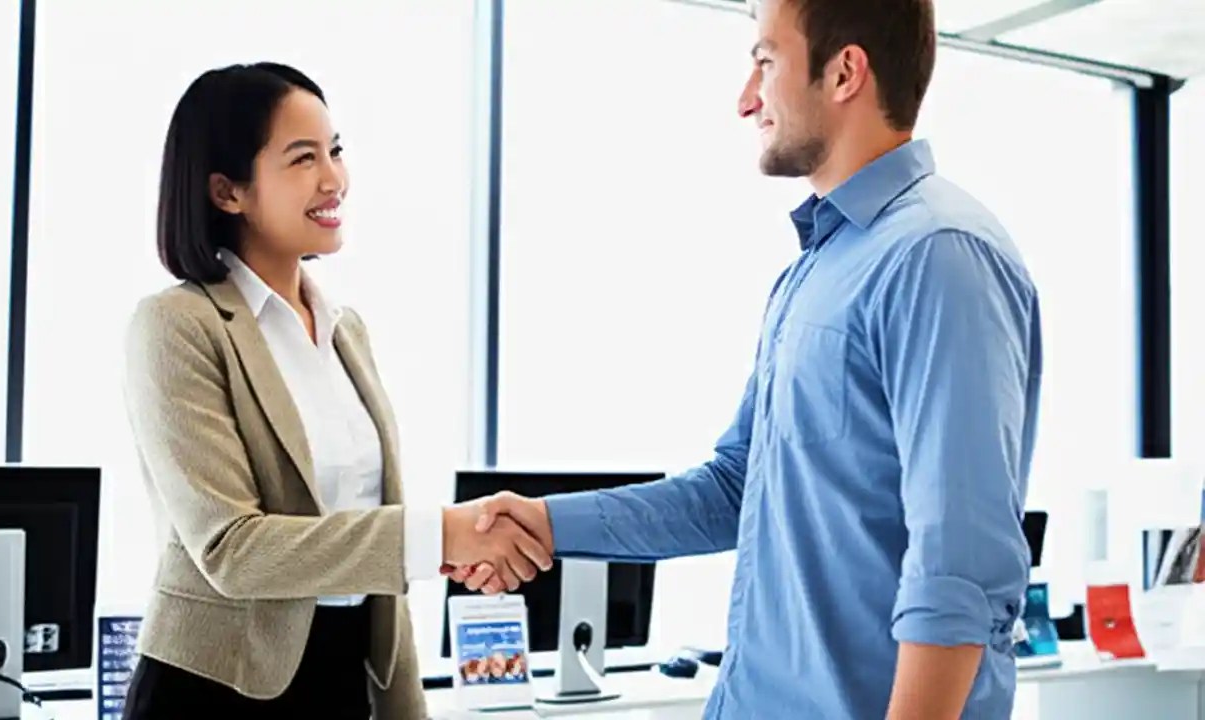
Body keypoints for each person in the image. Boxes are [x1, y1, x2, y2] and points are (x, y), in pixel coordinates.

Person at [446, 0, 1041, 717]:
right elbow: (735, 489)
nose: (746, 99)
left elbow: (959, 569)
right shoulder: (813, 272)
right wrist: (543, 521)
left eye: (765, 62)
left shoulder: (939, 256)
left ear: (845, 73)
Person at [120, 62, 550, 719]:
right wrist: (441, 535)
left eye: (335, 151)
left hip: (343, 679)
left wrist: (406, 705)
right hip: (214, 690)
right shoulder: (177, 326)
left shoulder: (346, 331)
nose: (334, 179)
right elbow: (232, 551)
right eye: (303, 158)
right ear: (228, 192)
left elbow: (372, 547)